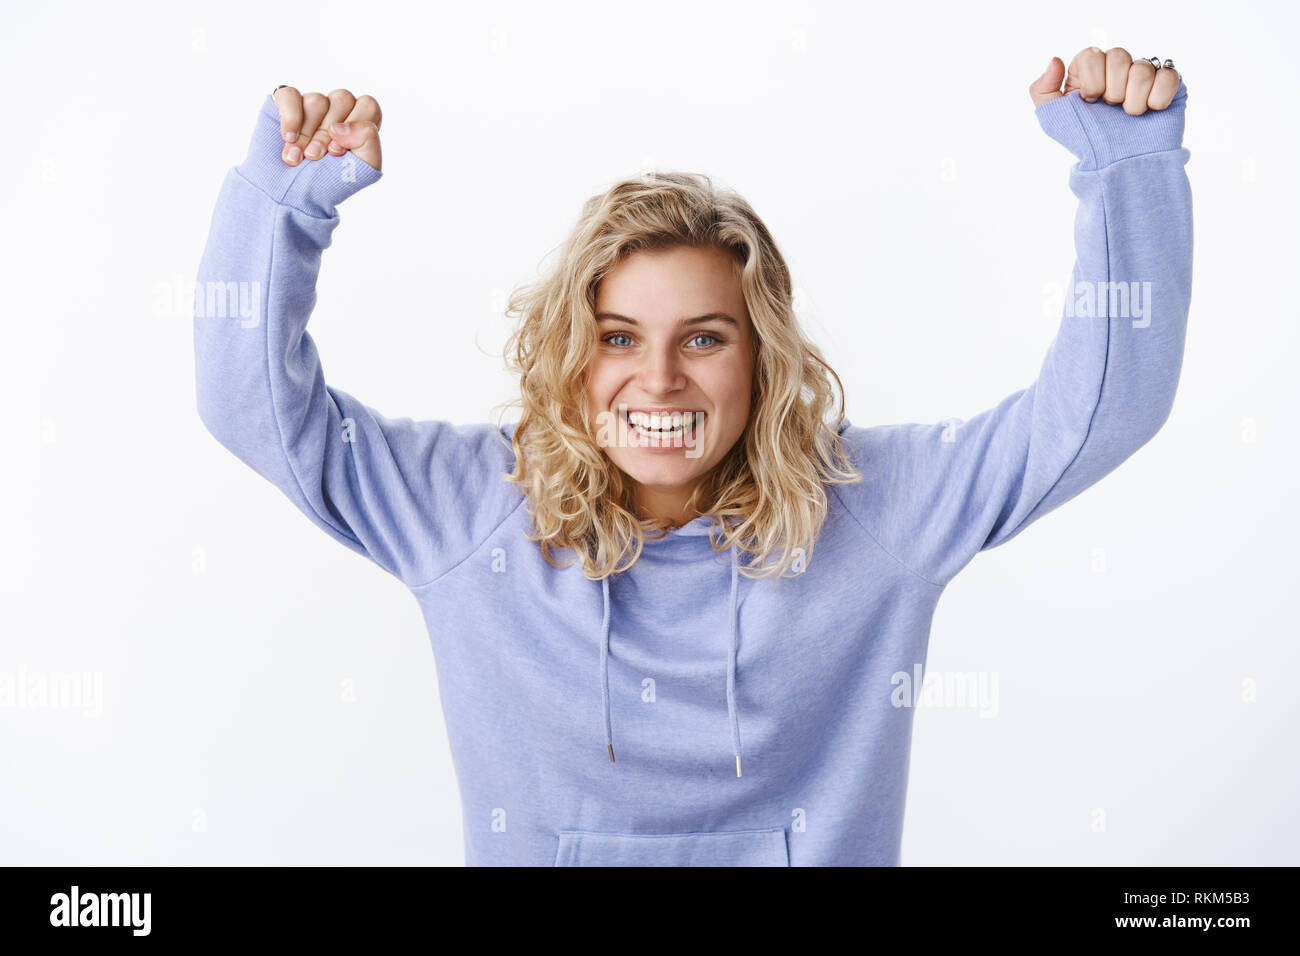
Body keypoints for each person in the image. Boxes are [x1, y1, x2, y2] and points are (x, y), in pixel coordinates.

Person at [192, 47, 1192, 866]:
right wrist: (281, 212)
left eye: (705, 338)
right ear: (571, 354)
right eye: (620, 337)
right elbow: (254, 408)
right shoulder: (469, 509)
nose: (660, 379)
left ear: (763, 358)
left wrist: (1127, 178)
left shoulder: (879, 508)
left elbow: (1096, 413)